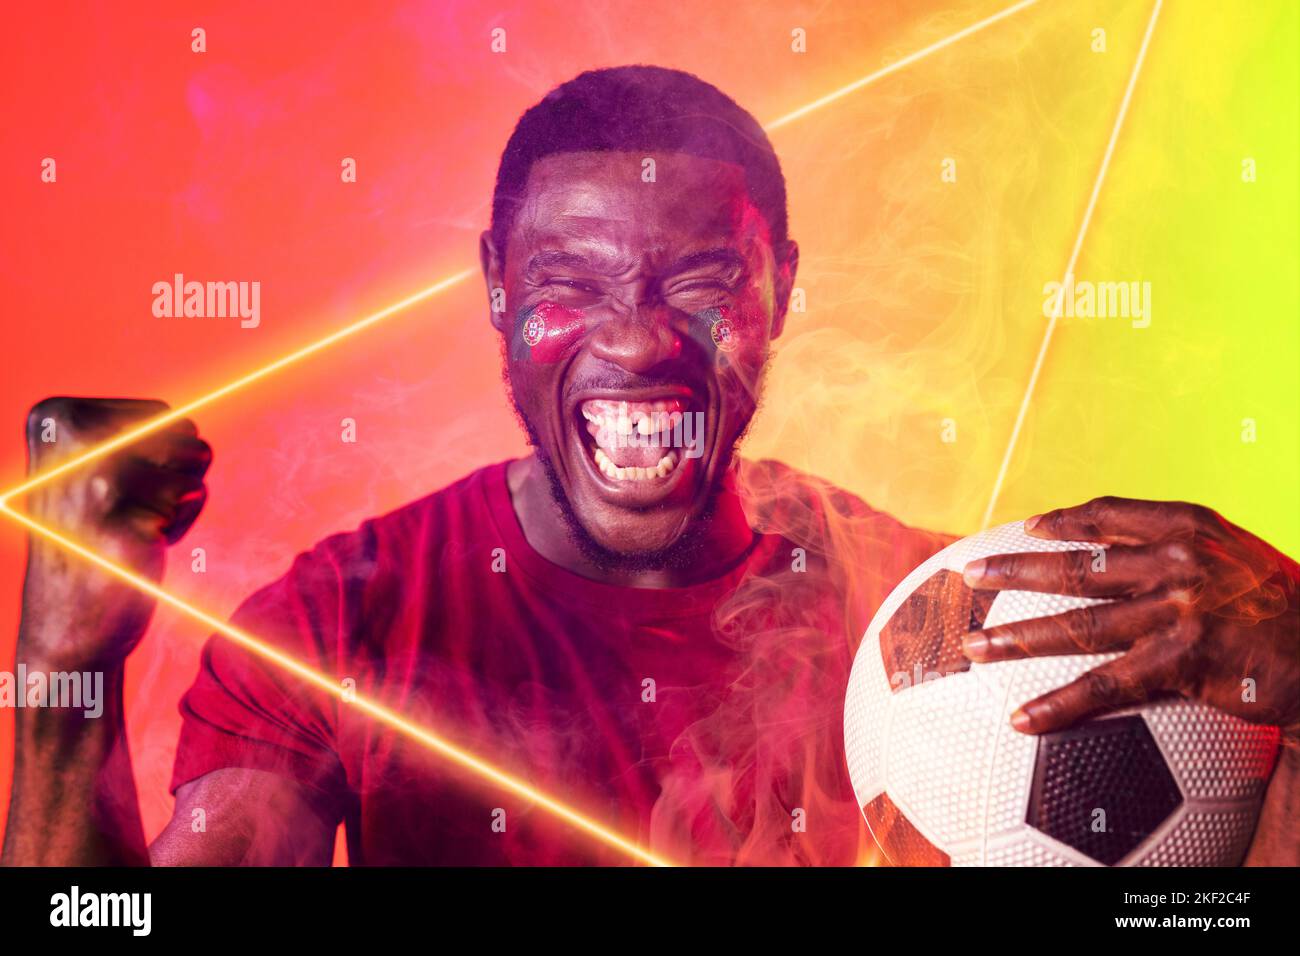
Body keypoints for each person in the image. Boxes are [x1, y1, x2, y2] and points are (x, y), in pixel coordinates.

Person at [3, 66, 1296, 866]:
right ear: (498, 292)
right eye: (569, 284)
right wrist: (61, 687)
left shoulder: (942, 627)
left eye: (700, 279)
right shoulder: (351, 617)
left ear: (783, 288)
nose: (634, 335)